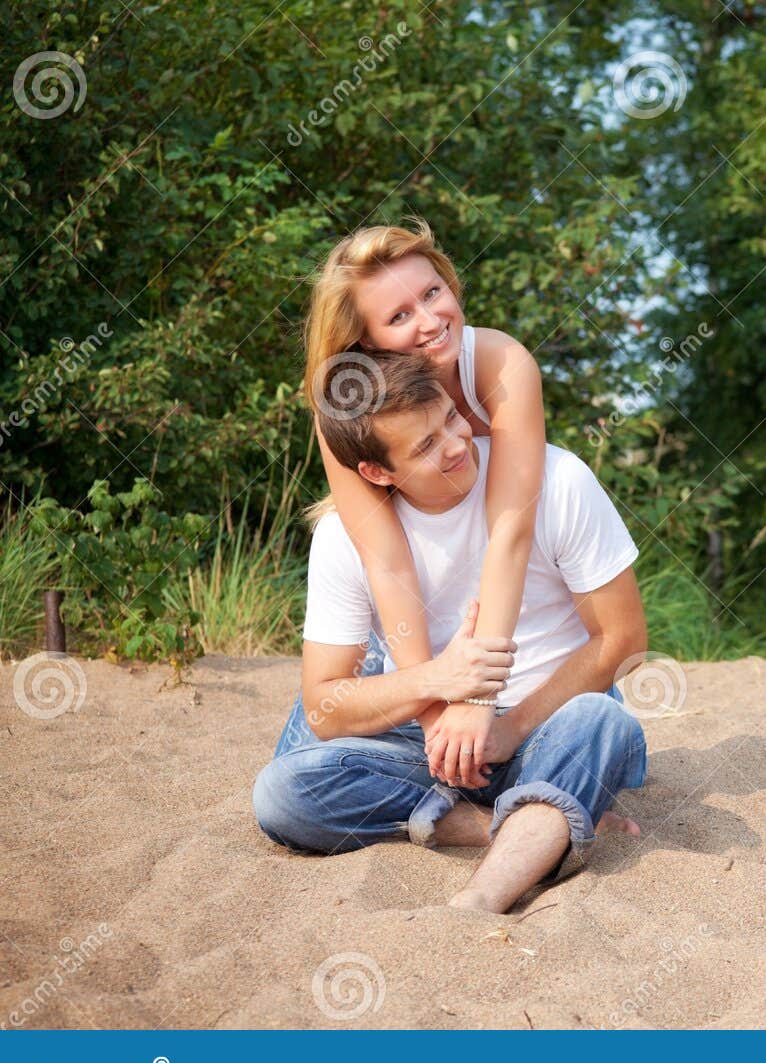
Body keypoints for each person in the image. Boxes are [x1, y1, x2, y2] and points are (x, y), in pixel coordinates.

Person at [253, 350, 649, 913]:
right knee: (282, 794)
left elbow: (623, 640)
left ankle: (483, 897)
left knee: (602, 721)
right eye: (425, 446)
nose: (457, 445)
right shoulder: (345, 536)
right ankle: (512, 824)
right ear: (377, 472)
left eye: (451, 420)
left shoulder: (558, 477)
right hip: (427, 749)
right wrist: (442, 678)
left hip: (541, 727)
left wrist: (506, 731)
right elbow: (324, 706)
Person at [302, 218, 546, 778]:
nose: (432, 322)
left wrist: (476, 696)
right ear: (365, 342)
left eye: (432, 292)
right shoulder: (342, 410)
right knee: (301, 749)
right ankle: (463, 810)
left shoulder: (501, 363)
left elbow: (510, 531)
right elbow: (385, 561)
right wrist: (436, 709)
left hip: (511, 631)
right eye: (399, 316)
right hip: (424, 640)